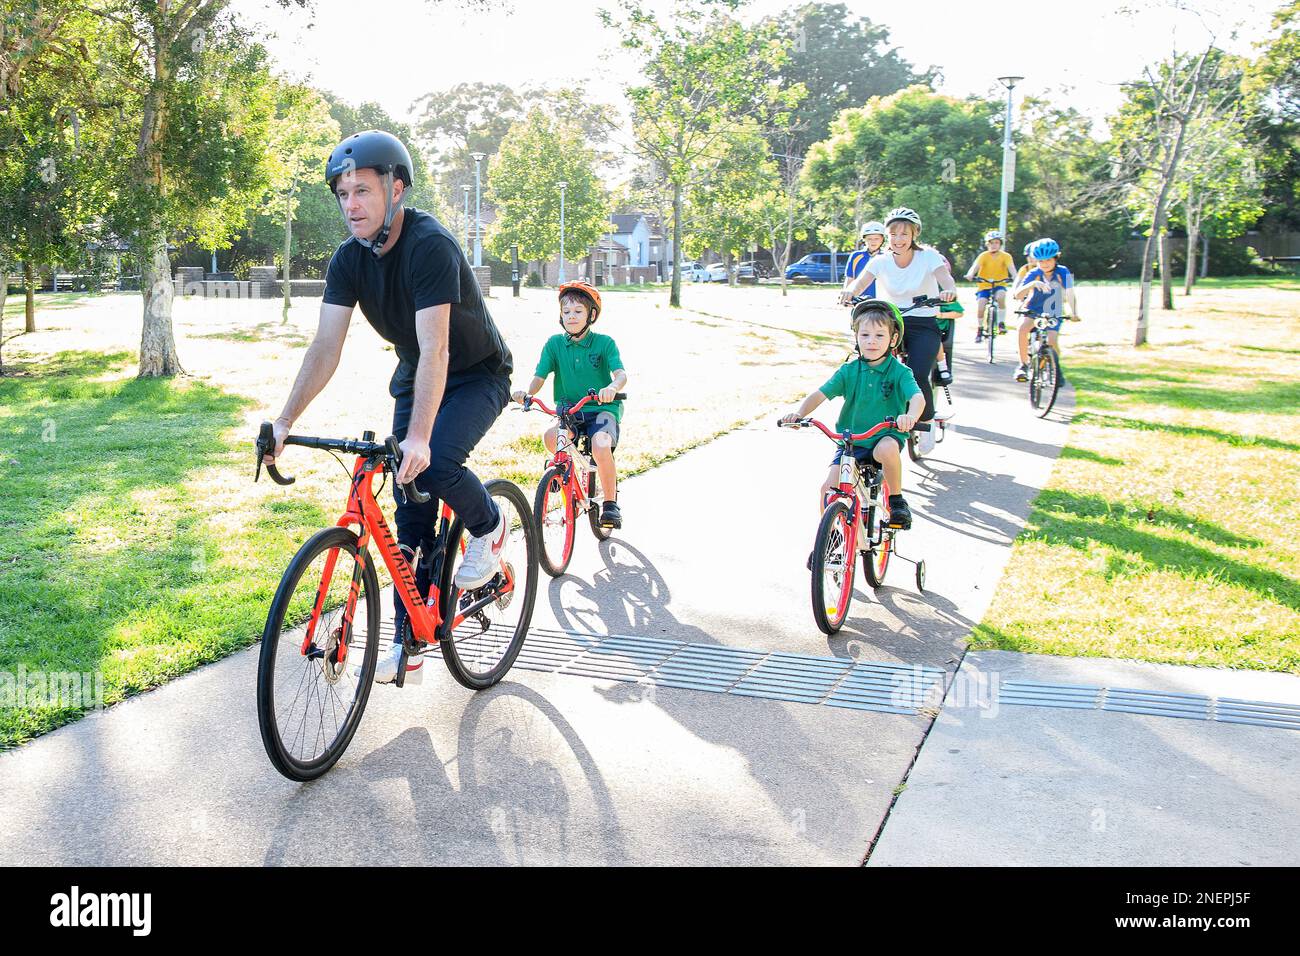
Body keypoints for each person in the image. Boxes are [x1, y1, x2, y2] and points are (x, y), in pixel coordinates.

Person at [262, 130, 514, 685]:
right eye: (343, 193)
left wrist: (421, 437)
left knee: (437, 463)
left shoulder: (430, 246)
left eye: (363, 191)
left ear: (396, 189)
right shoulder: (349, 260)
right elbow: (326, 347)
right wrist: (284, 422)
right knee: (409, 503)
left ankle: (490, 527)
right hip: (416, 371)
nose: (351, 205)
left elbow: (438, 348)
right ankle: (412, 637)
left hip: (475, 374)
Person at [782, 299, 925, 569]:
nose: (872, 341)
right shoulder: (849, 371)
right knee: (828, 489)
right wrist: (799, 415)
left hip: (885, 435)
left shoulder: (899, 371)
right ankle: (833, 537)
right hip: (851, 441)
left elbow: (917, 398)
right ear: (856, 338)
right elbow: (820, 394)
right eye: (865, 335)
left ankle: (896, 499)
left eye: (880, 335)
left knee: (885, 451)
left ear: (894, 338)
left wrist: (910, 417)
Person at [838, 207, 957, 456]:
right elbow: (861, 281)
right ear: (887, 236)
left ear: (914, 234)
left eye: (904, 233)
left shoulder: (929, 257)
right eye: (893, 234)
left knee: (917, 373)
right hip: (890, 322)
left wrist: (948, 290)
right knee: (873, 367)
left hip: (922, 321)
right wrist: (850, 291)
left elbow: (945, 279)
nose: (899, 239)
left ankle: (927, 421)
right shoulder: (880, 261)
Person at [512, 280, 629, 528]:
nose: (571, 317)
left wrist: (611, 388)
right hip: (570, 411)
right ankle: (566, 481)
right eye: (566, 312)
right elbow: (540, 376)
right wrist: (528, 393)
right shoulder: (554, 344)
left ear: (591, 315)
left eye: (578, 312)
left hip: (601, 409)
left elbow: (621, 374)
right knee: (551, 438)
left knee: (600, 445)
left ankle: (610, 504)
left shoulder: (604, 343)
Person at [1012, 237, 1082, 382]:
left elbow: (1070, 292)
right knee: (1022, 328)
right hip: (1033, 308)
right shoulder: (1033, 273)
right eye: (1041, 261)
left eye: (1048, 260)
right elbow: (1017, 295)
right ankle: (1023, 364)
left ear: (1056, 258)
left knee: (1052, 340)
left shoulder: (1063, 271)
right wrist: (1032, 284)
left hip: (1053, 309)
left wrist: (1074, 312)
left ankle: (1056, 369)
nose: (1044, 264)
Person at [965, 230, 1016, 342]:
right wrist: (970, 275)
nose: (994, 245)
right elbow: (975, 267)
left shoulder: (1006, 256)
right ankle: (980, 329)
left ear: (1000, 244)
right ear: (987, 244)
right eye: (991, 243)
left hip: (999, 284)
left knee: (1001, 297)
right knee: (981, 305)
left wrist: (1015, 276)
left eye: (996, 243)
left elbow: (1011, 268)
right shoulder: (983, 256)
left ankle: (1001, 323)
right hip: (984, 285)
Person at [841, 221, 887, 303]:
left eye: (876, 238)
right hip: (860, 300)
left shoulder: (887, 256)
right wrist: (846, 296)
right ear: (864, 239)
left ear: (882, 239)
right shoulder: (856, 256)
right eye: (869, 239)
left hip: (882, 300)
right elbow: (850, 278)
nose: (873, 241)